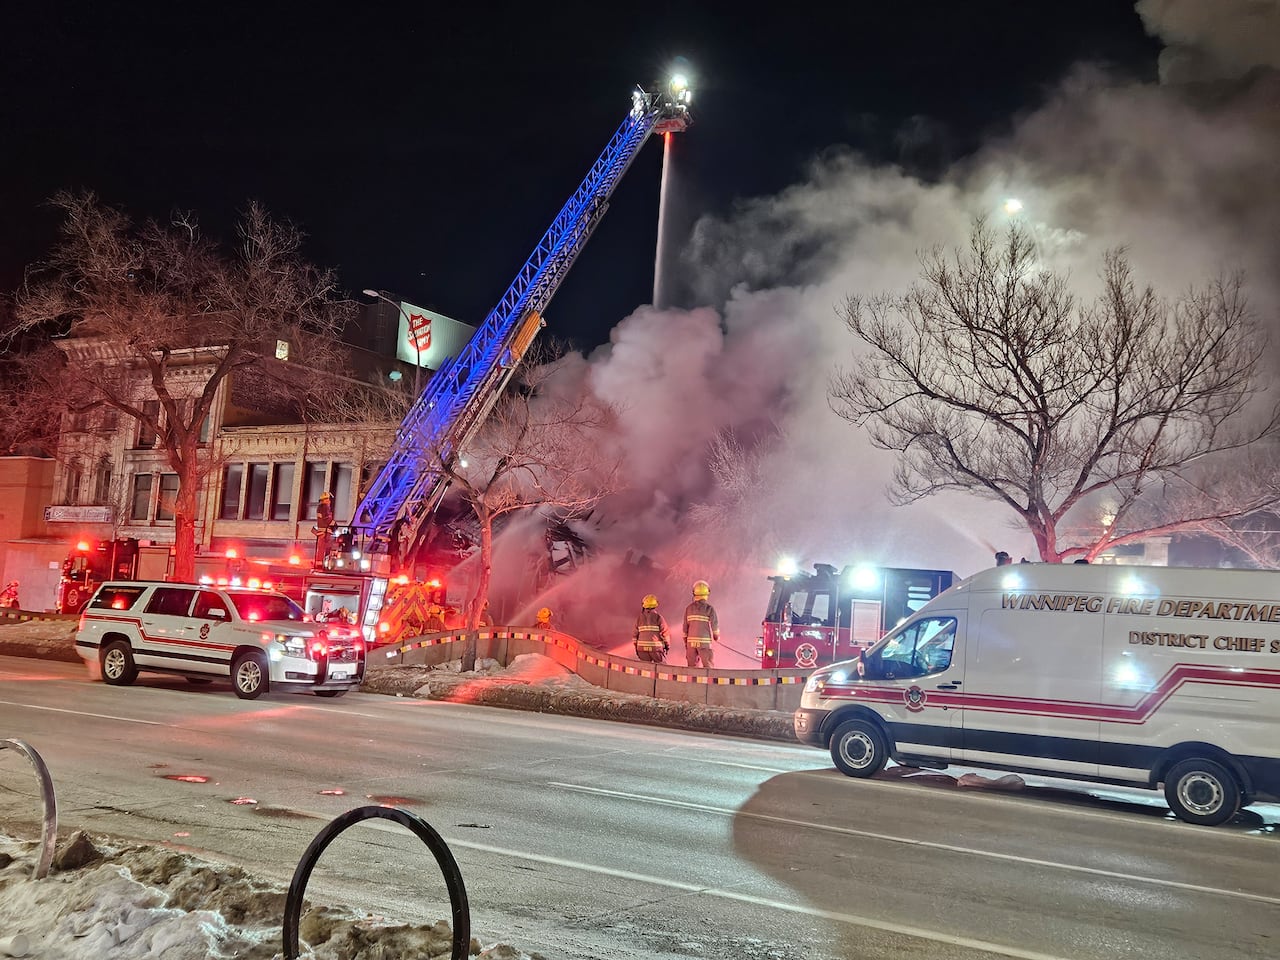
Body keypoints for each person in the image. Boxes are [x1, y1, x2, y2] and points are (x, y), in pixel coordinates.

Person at [683, 580, 719, 668]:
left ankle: (692, 681)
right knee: (708, 667)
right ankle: (707, 681)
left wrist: (685, 641)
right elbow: (715, 626)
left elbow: (685, 628)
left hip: (690, 643)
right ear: (707, 594)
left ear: (694, 593)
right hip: (704, 643)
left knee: (692, 668)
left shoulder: (689, 608)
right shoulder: (709, 608)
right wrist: (716, 636)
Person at [632, 594, 669, 663]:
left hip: (641, 649)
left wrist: (637, 648)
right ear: (655, 605)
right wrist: (667, 646)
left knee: (645, 670)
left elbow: (634, 636)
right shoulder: (658, 617)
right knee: (661, 668)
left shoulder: (639, 619)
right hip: (655, 649)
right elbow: (665, 634)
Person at [312, 492, 335, 568]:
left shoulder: (320, 507)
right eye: (328, 499)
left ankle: (320, 564)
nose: (329, 501)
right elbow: (327, 518)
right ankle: (322, 565)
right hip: (325, 532)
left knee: (321, 548)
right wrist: (335, 525)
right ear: (325, 500)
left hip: (322, 531)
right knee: (326, 548)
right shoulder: (325, 507)